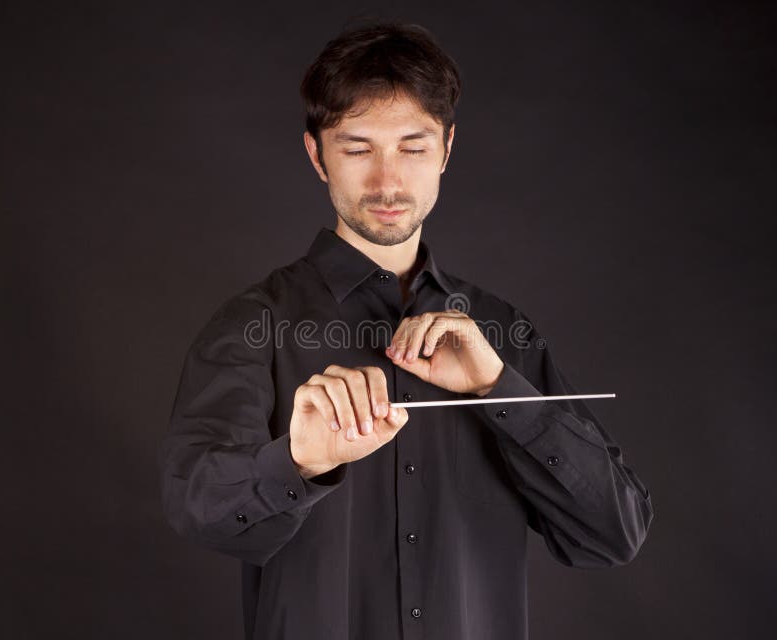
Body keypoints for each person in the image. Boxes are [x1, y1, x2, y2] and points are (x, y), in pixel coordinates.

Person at [158, 20, 654, 640]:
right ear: (317, 155)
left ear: (445, 150)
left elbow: (614, 534)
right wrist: (299, 461)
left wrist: (500, 390)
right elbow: (195, 508)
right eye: (358, 148)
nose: (387, 182)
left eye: (412, 148)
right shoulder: (254, 324)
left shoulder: (504, 331)